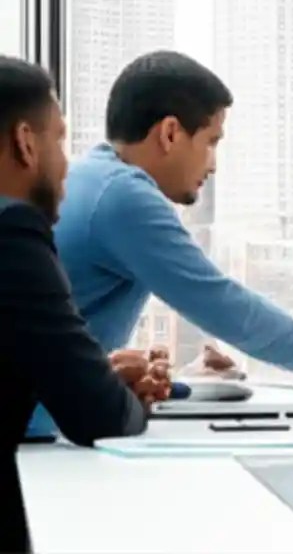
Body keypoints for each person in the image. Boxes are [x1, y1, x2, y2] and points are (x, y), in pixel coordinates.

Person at [26, 51, 293, 440]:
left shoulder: (93, 179)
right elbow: (224, 306)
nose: (213, 164)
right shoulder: (123, 196)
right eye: (211, 141)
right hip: (35, 432)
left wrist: (181, 382)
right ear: (170, 133)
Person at [0, 57, 160, 553]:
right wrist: (125, 395)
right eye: (60, 139)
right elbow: (102, 420)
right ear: (26, 143)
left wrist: (93, 376)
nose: (67, 163)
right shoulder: (14, 240)